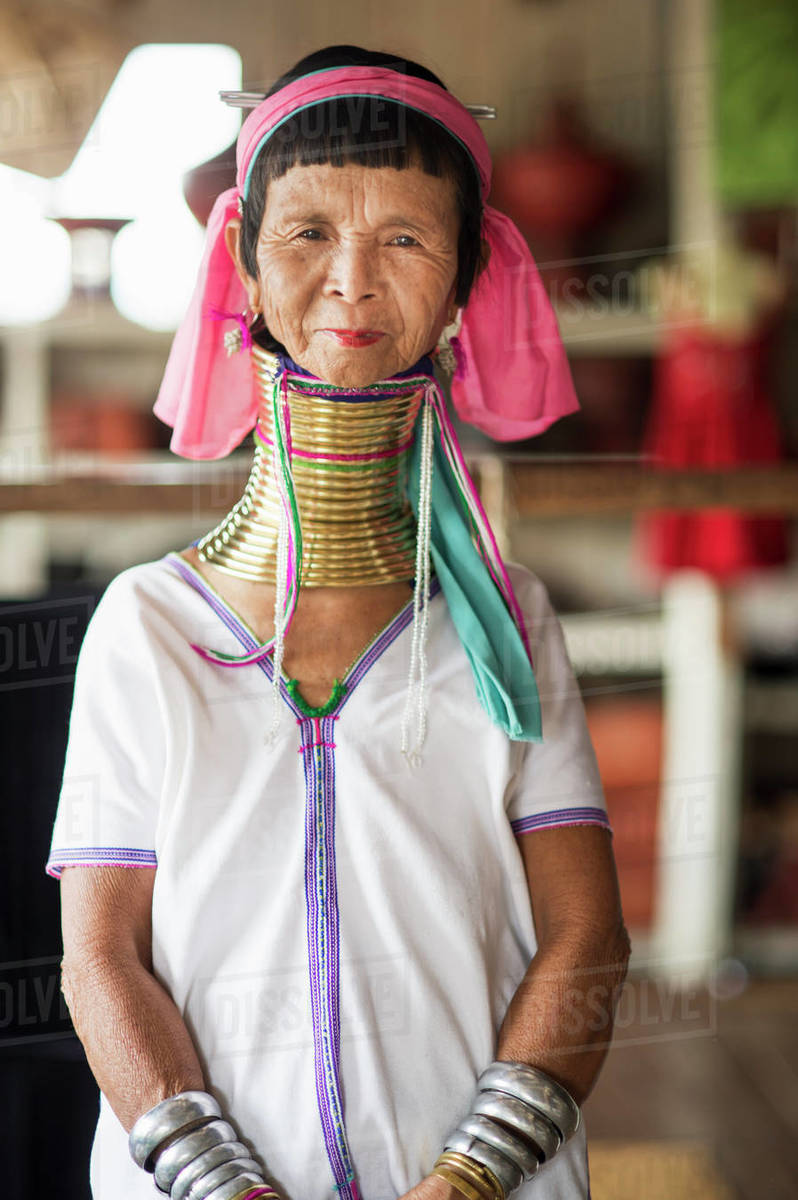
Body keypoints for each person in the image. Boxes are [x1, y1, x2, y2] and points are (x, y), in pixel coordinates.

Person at [46, 45, 631, 1200]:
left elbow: (588, 945)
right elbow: (99, 960)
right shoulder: (150, 628)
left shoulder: (507, 625)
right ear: (244, 271)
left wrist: (466, 1183)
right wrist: (225, 1186)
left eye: (406, 239)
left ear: (466, 284)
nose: (353, 282)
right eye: (308, 232)